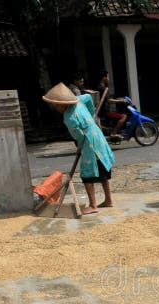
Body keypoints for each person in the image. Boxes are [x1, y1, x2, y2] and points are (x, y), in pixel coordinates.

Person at [42, 83, 115, 214]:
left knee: (87, 174)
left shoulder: (68, 117)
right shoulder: (79, 100)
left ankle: (93, 205)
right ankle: (109, 200)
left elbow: (79, 136)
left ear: (62, 104)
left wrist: (80, 147)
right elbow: (88, 97)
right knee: (102, 168)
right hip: (97, 135)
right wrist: (91, 115)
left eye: (56, 104)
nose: (55, 107)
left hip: (89, 142)